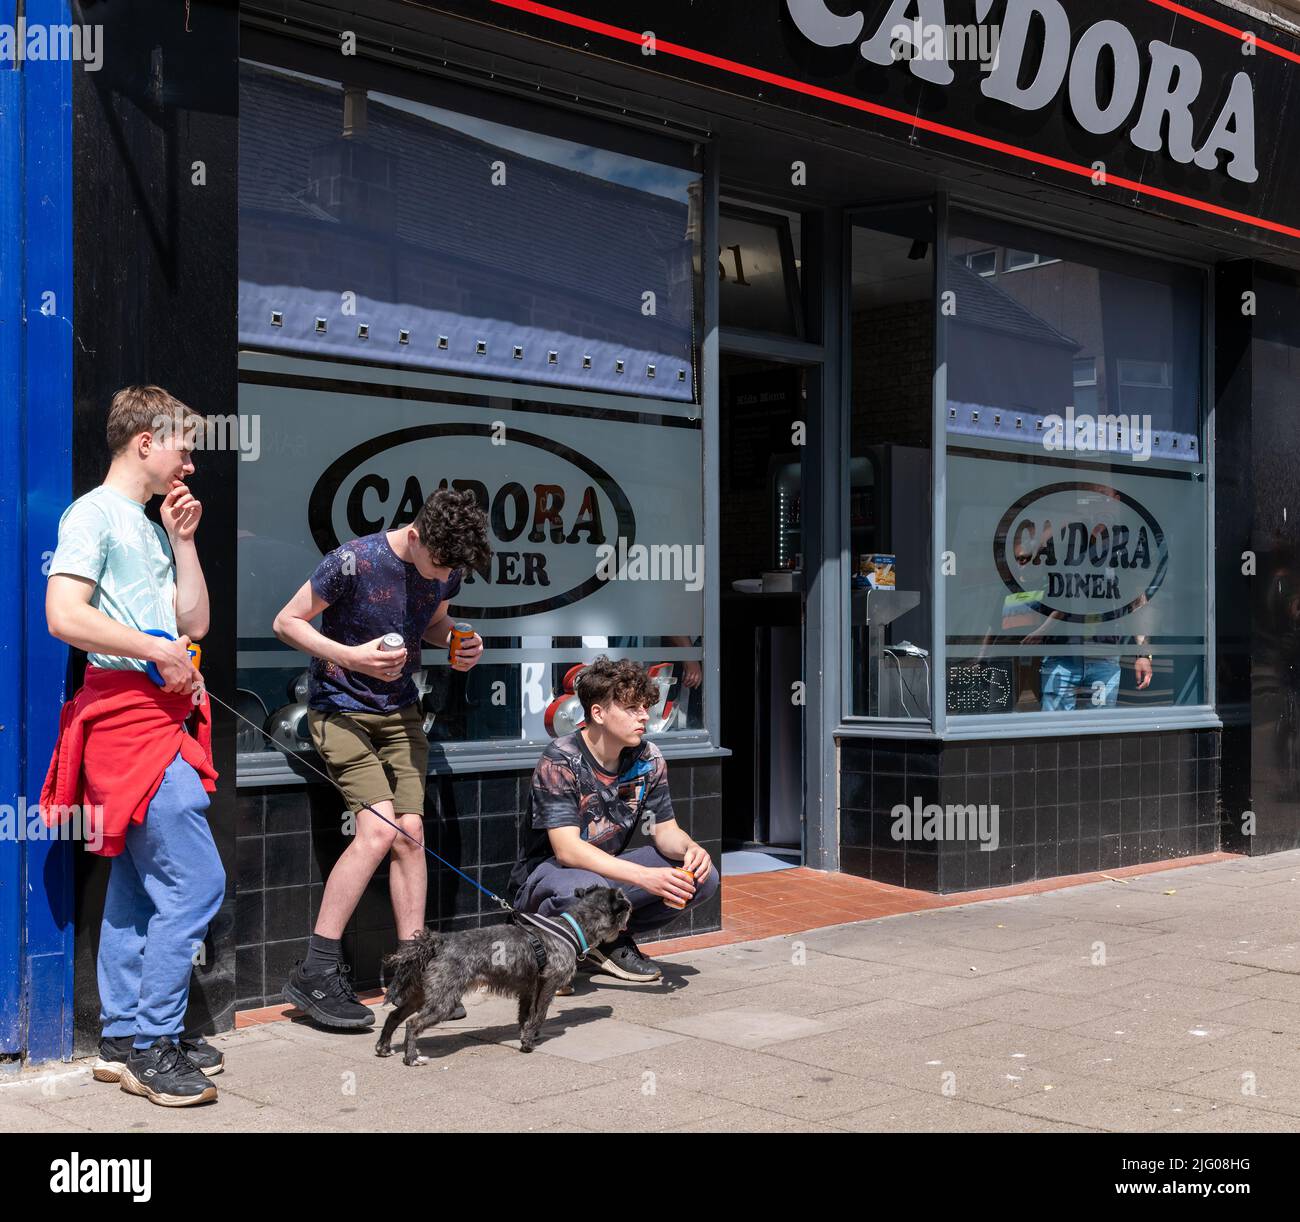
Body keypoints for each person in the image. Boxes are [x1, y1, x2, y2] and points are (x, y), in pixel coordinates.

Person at [43, 386, 224, 1108]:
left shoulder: (150, 526)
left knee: (136, 886)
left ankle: (121, 1039)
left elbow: (196, 622)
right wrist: (154, 648)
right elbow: (63, 614)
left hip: (159, 715)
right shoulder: (92, 514)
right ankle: (155, 1045)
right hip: (125, 718)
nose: (191, 464)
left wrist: (183, 542)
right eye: (184, 446)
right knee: (197, 882)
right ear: (145, 441)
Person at [272, 489, 491, 1028]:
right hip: (340, 711)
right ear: (415, 535)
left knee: (410, 832)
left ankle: (413, 975)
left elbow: (435, 621)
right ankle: (316, 971)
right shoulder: (354, 561)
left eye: (452, 572)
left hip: (401, 712)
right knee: (377, 830)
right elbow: (287, 622)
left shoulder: (445, 568)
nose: (443, 577)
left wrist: (457, 640)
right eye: (438, 564)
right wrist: (350, 657)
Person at [510, 656, 719, 984]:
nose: (644, 716)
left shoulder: (648, 758)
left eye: (645, 707)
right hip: (549, 878)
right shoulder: (561, 759)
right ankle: (547, 948)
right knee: (589, 887)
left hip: (604, 873)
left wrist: (692, 850)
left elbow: (666, 832)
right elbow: (567, 851)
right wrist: (646, 878)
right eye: (633, 708)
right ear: (599, 713)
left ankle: (606, 939)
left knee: (700, 878)